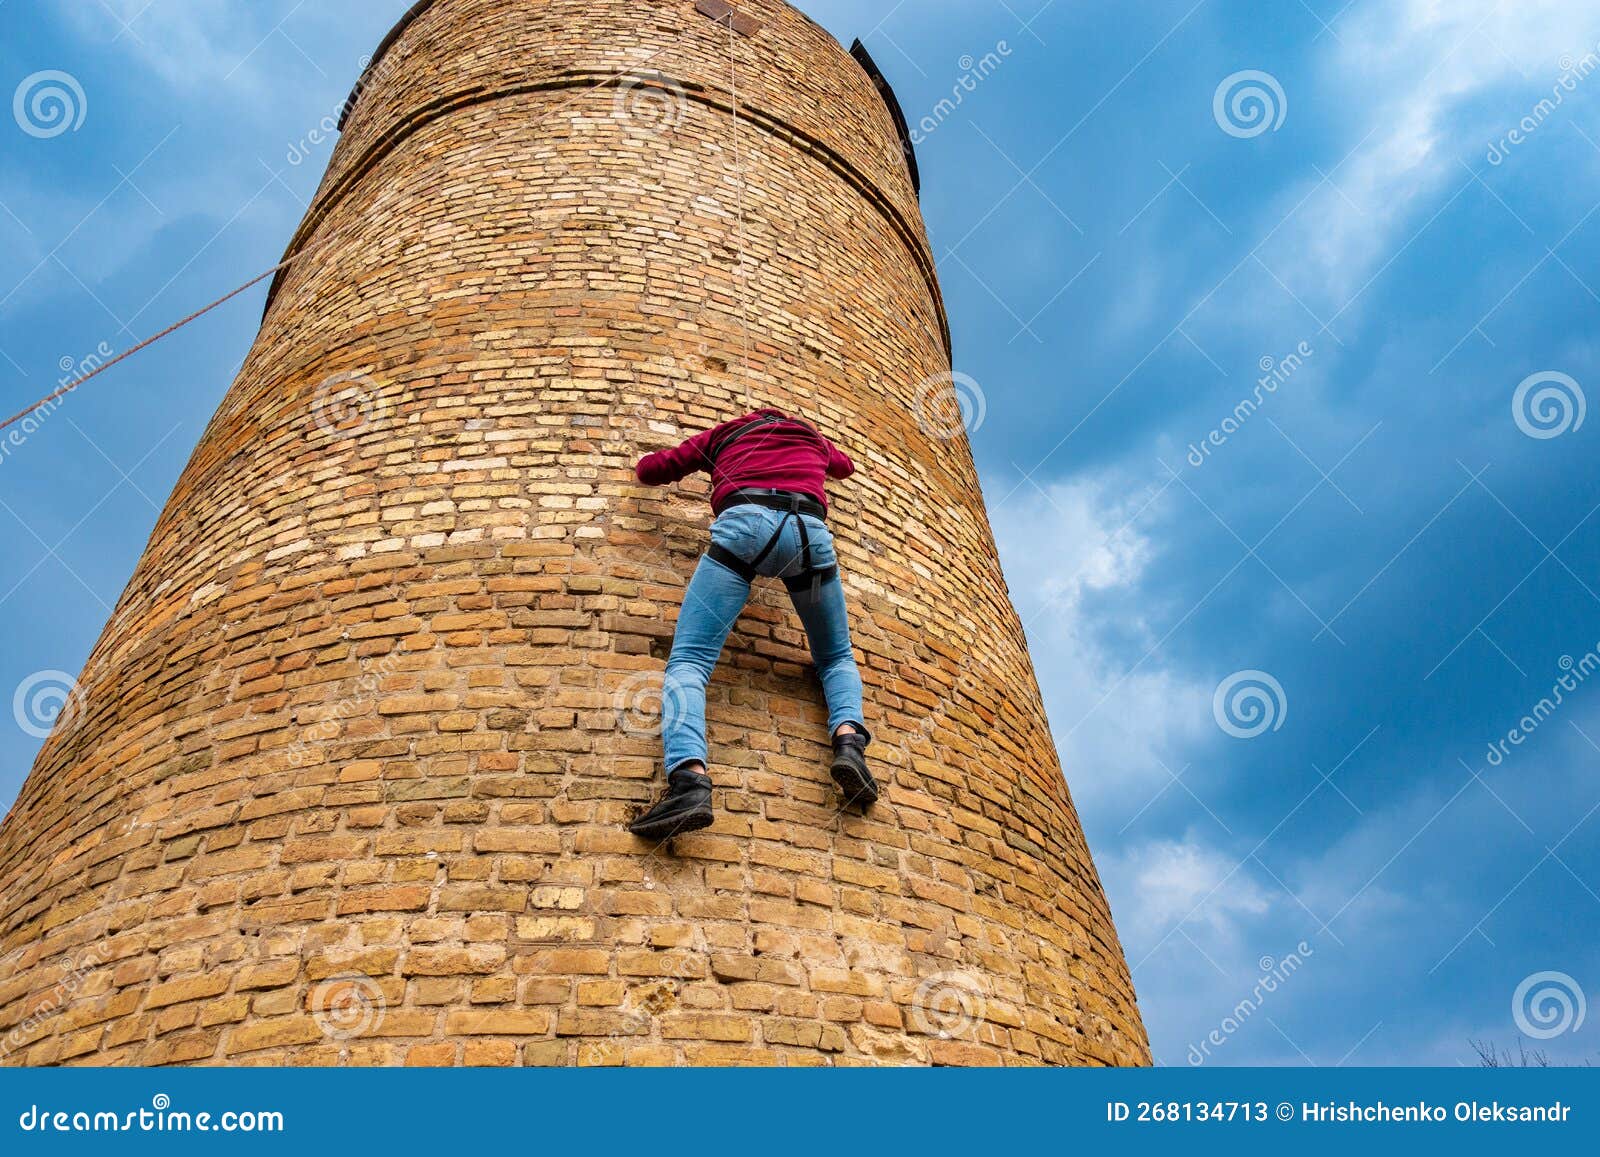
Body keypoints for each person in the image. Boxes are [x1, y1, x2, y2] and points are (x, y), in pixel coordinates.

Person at [627, 407, 876, 840]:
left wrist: (644, 465)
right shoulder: (810, 436)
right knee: (835, 656)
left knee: (689, 662)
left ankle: (689, 782)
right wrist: (813, 443)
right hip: (808, 537)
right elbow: (845, 466)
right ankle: (849, 743)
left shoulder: (724, 434)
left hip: (745, 527)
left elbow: (656, 470)